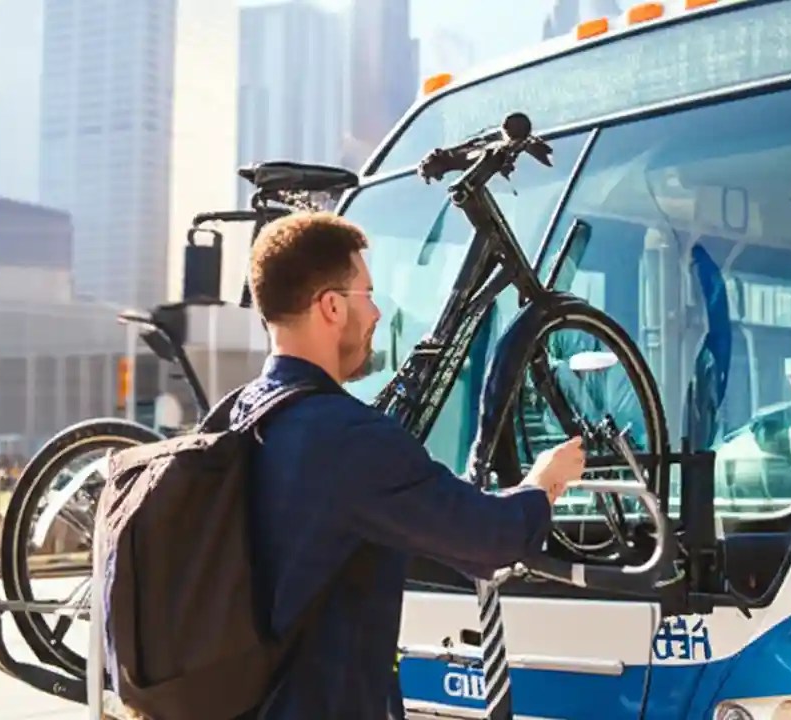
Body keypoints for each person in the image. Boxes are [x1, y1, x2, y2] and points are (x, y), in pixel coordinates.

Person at [228, 211, 584, 719]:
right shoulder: (348, 439)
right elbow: (488, 538)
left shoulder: (232, 419)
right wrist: (544, 481)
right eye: (367, 294)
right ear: (331, 306)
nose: (377, 314)